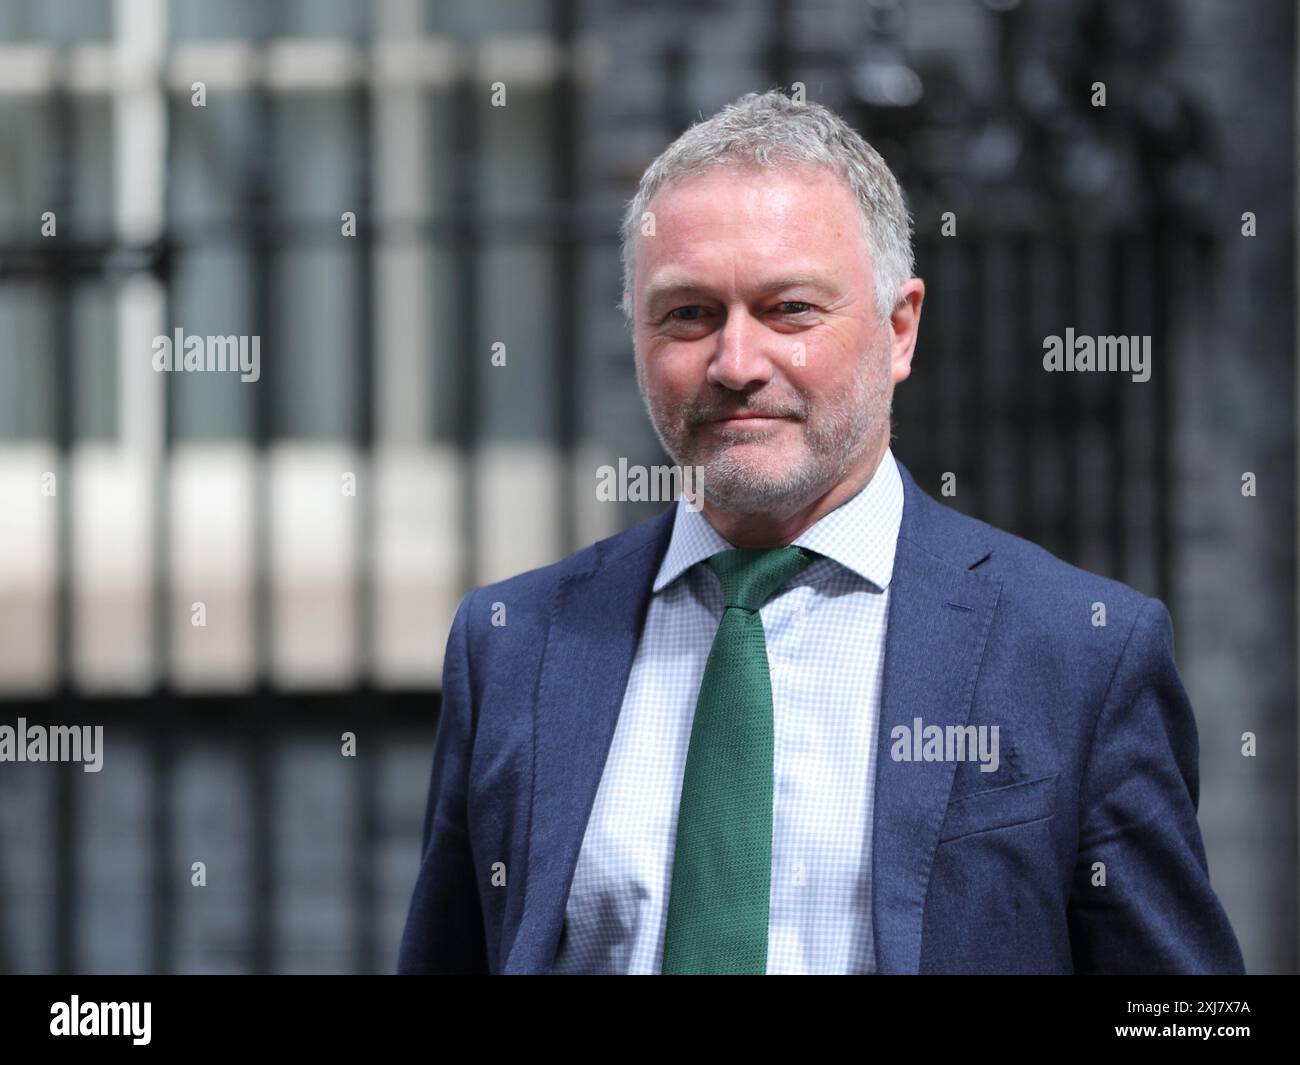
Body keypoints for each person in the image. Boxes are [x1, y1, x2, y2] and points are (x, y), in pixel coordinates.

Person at [397, 89, 1245, 975]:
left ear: (900, 328)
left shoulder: (1077, 652)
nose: (735, 363)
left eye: (789, 309)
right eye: (688, 313)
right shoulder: (513, 646)